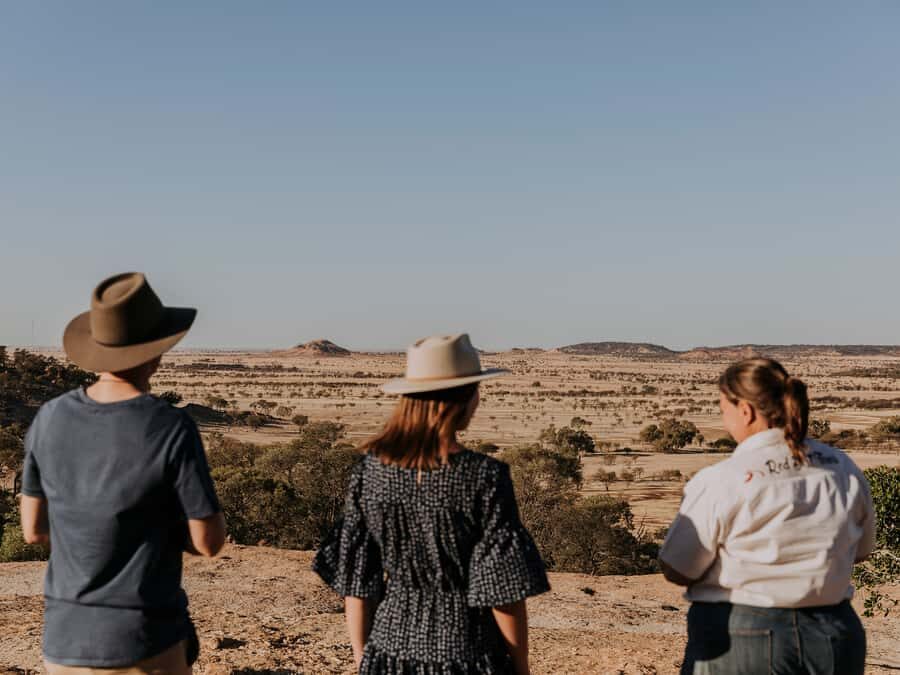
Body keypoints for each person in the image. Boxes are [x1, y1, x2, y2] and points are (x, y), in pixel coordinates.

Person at [19, 272, 225, 674]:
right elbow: (209, 541)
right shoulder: (169, 427)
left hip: (65, 640)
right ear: (157, 351)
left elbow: (34, 531)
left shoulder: (50, 418)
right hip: (145, 639)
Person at [313, 333, 549, 674]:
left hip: (390, 648)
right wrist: (521, 665)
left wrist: (362, 657)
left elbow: (358, 583)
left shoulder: (370, 471)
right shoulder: (485, 477)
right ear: (466, 398)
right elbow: (503, 593)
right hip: (469, 652)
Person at [659, 357, 876, 675]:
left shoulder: (724, 477)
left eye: (724, 411)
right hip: (835, 631)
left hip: (745, 631)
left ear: (745, 411)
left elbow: (678, 567)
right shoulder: (842, 466)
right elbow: (863, 550)